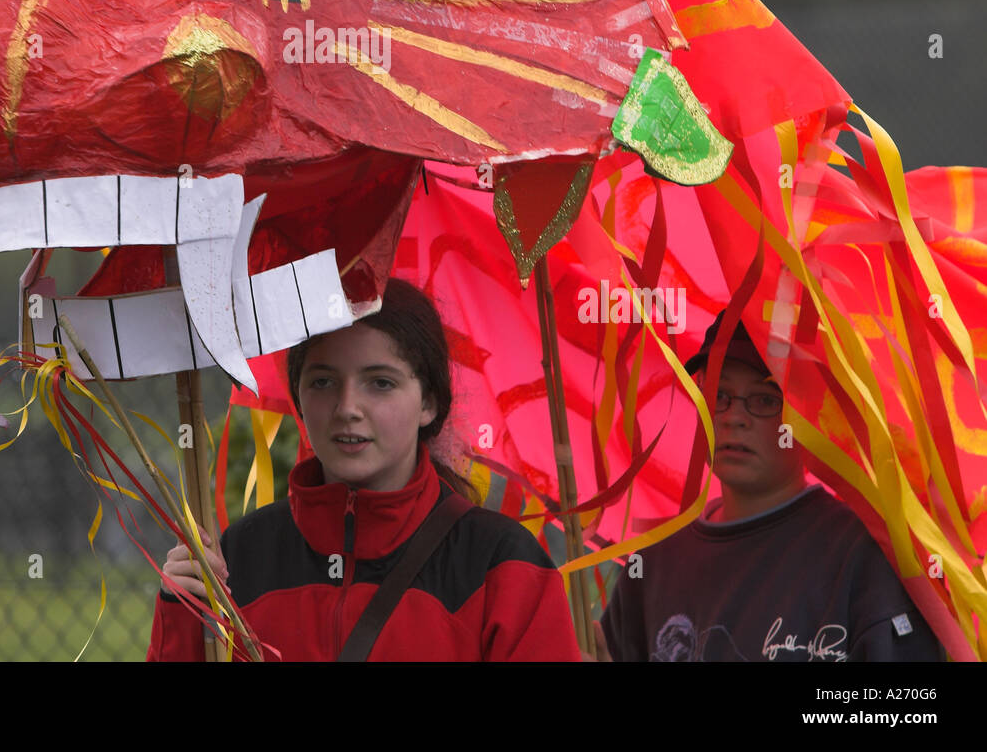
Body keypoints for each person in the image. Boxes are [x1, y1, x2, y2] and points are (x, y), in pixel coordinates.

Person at [147, 278, 582, 661]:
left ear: (429, 402)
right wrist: (182, 615)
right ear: (297, 397)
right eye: (323, 381)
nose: (347, 408)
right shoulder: (237, 558)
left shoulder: (502, 565)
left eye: (380, 383)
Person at [602, 312, 944, 662]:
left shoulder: (865, 557)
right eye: (719, 395)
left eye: (765, 399)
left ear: (807, 415)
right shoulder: (650, 569)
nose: (733, 416)